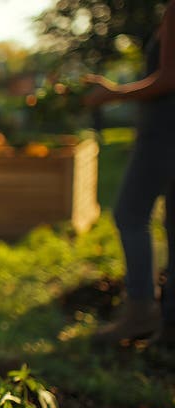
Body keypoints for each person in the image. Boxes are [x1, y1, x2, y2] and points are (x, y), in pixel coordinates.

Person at [84, 0, 175, 347]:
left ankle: (140, 309)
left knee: (131, 214)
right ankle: (170, 324)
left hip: (164, 133)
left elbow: (169, 77)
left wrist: (115, 94)